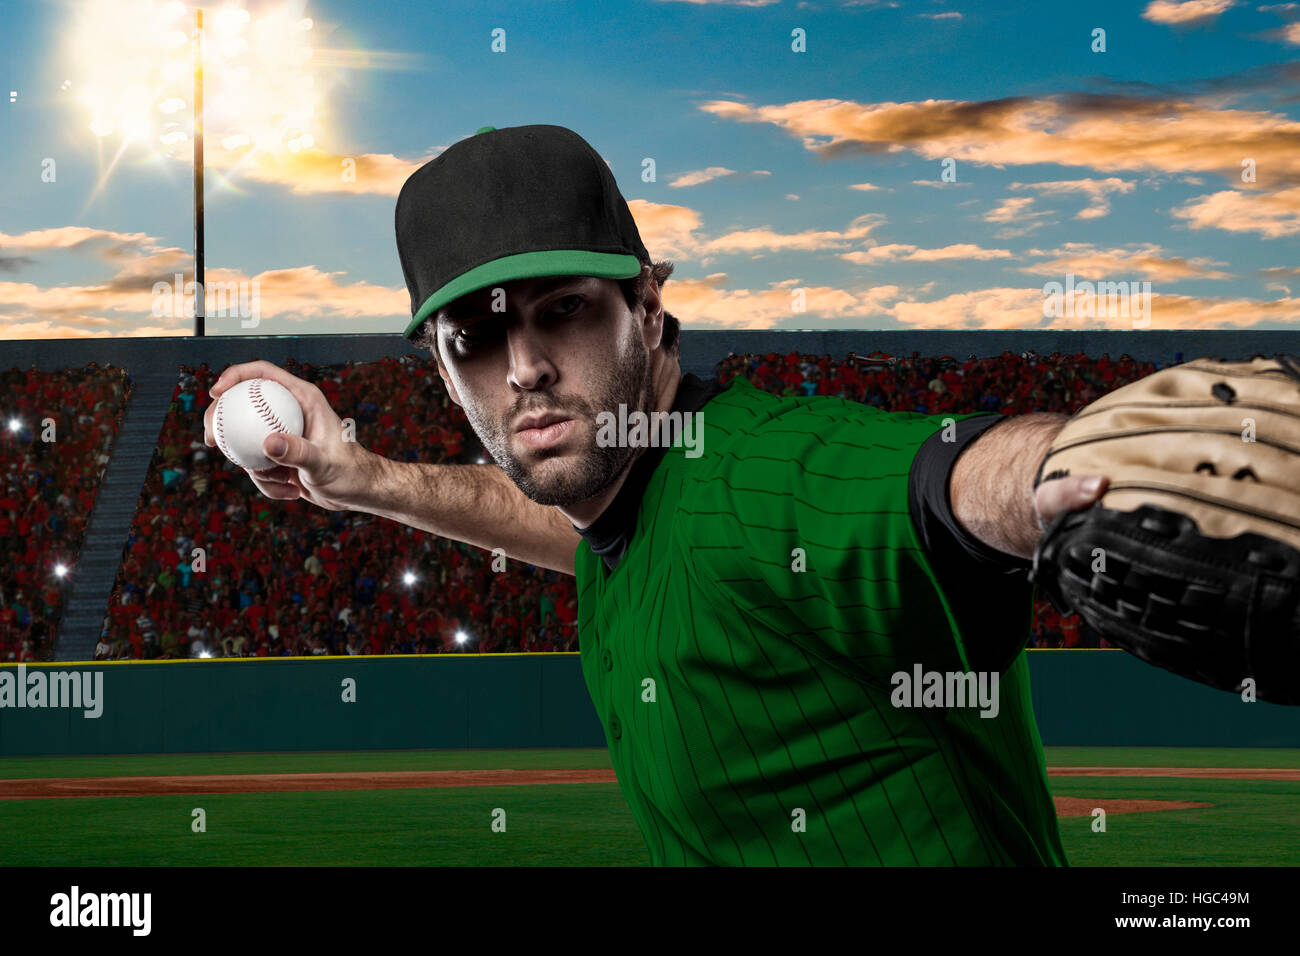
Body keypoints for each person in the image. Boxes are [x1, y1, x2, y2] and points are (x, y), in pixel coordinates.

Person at [204, 124, 1111, 867]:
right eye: (476, 337)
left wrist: (1102, 468)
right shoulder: (626, 504)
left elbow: (943, 479)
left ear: (646, 304)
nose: (524, 368)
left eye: (563, 307)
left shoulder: (762, 476)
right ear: (442, 374)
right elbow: (563, 522)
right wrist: (359, 476)